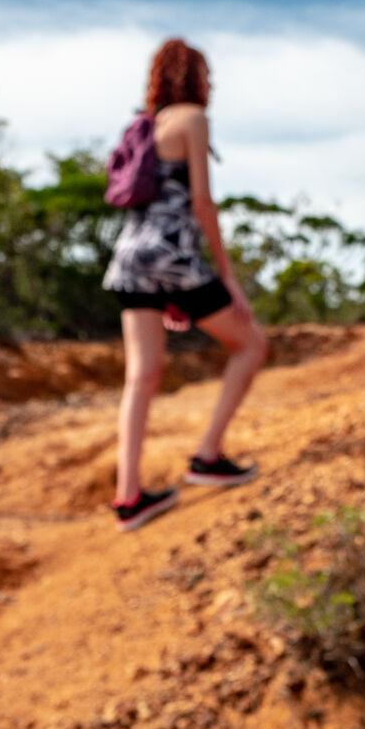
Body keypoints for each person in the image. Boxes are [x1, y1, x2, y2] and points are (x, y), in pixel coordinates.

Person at [103, 38, 269, 532]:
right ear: (196, 78)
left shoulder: (146, 125)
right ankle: (207, 456)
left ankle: (128, 496)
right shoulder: (194, 119)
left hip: (131, 258)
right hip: (173, 256)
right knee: (252, 345)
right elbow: (201, 203)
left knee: (141, 375)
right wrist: (226, 276)